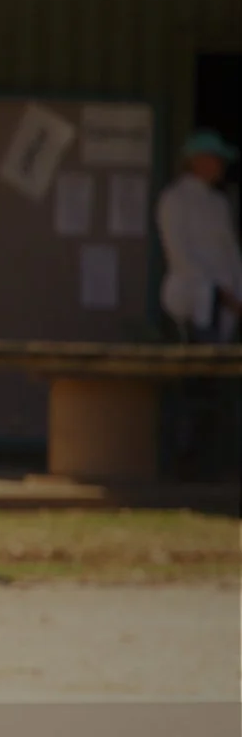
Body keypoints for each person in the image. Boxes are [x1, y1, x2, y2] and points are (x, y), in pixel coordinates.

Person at [157, 128, 242, 481]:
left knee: (225, 387)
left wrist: (237, 295)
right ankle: (185, 459)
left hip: (228, 308)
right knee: (193, 385)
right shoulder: (174, 200)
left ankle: (219, 460)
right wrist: (219, 292)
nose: (219, 166)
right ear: (196, 161)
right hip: (192, 304)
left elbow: (230, 255)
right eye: (214, 159)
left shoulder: (219, 203)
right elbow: (181, 255)